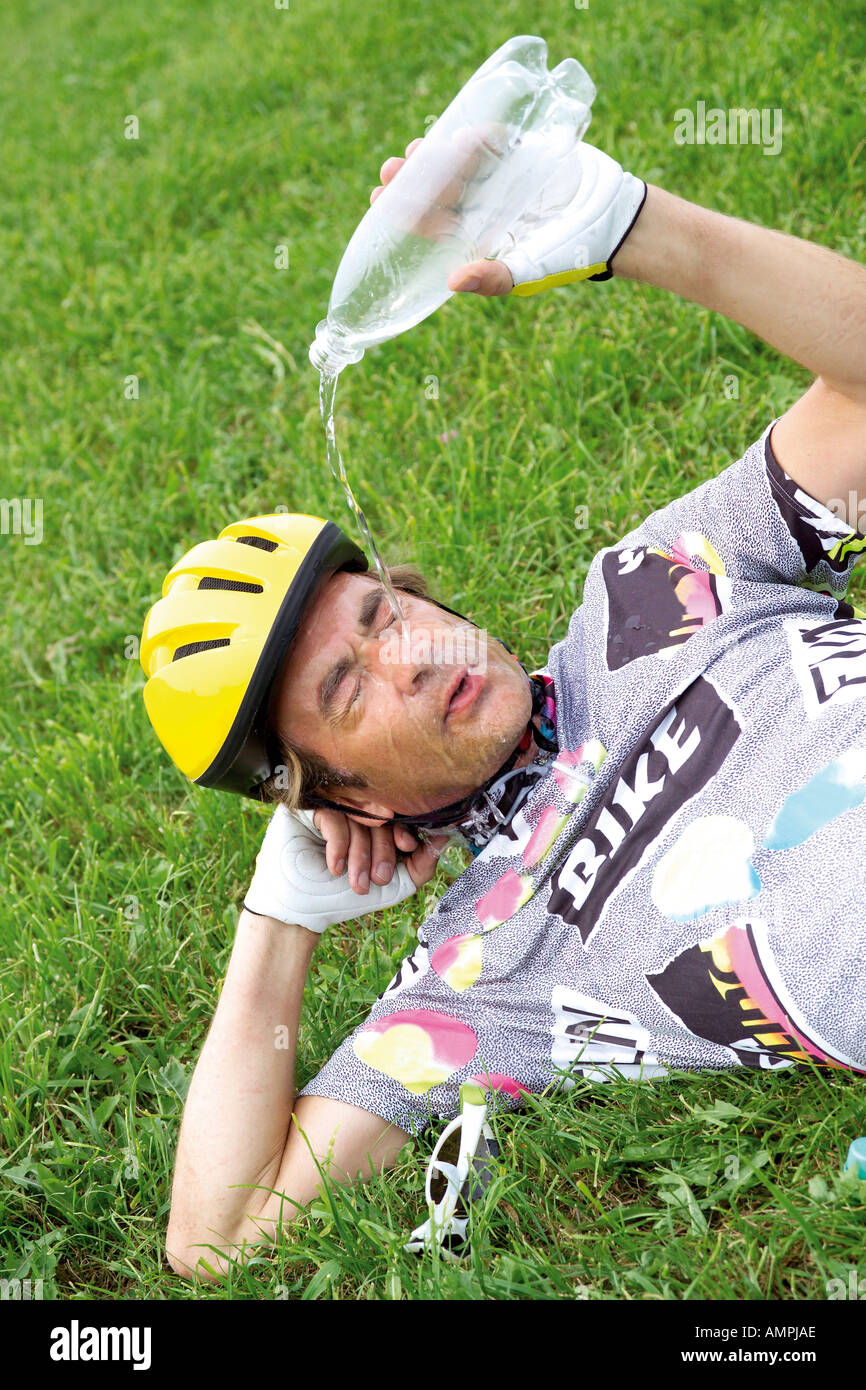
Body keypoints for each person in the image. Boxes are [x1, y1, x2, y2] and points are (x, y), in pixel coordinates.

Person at [139, 139, 866, 1281]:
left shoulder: (650, 584)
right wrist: (277, 920)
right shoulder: (481, 969)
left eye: (379, 615)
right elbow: (219, 1238)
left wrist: (634, 227)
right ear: (342, 796)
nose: (412, 658)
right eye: (347, 688)